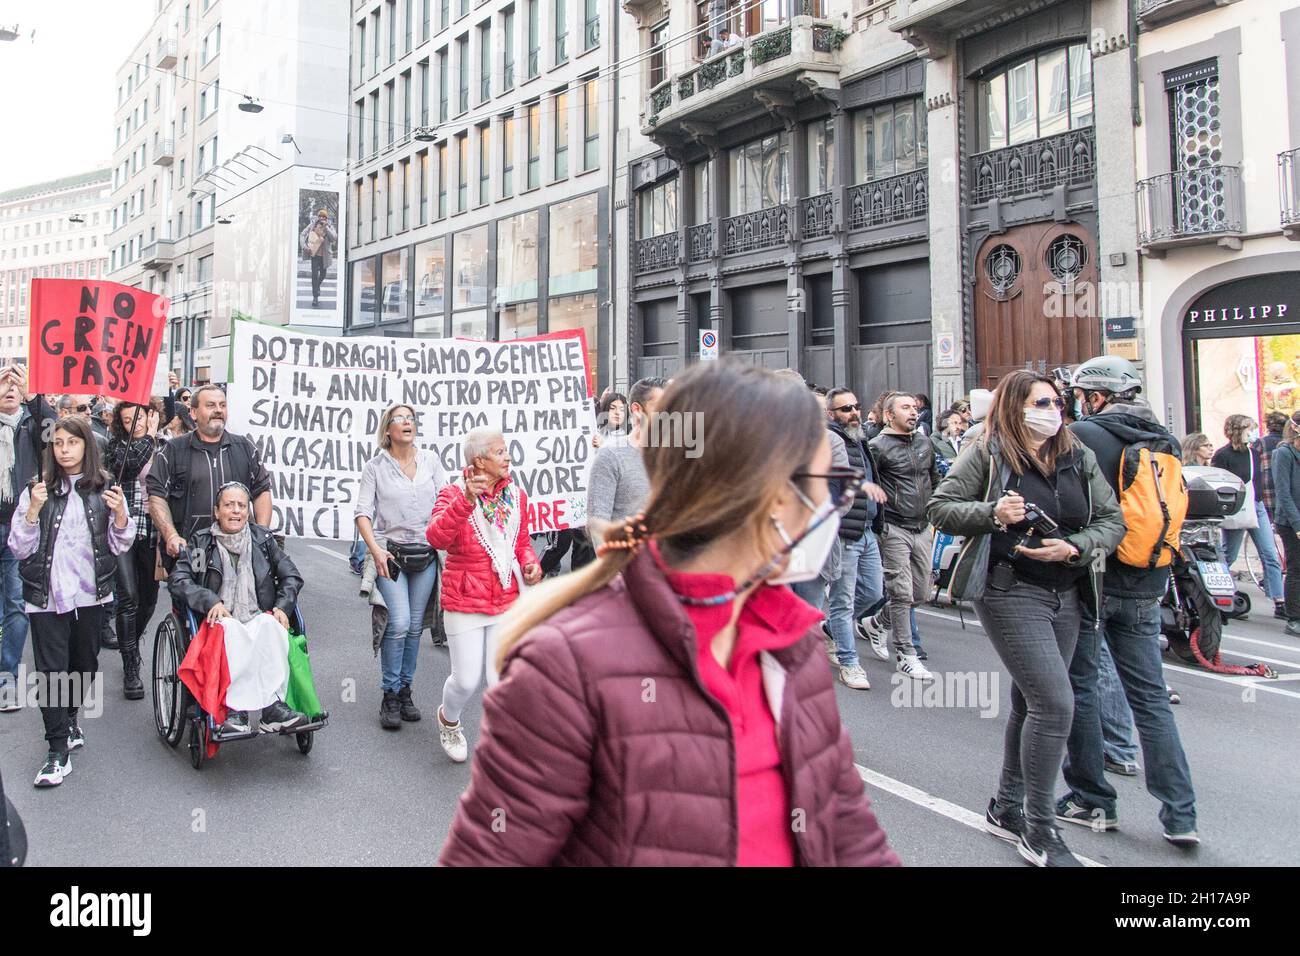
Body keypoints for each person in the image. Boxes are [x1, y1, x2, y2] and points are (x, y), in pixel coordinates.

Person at [438, 363, 900, 867]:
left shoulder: (796, 643)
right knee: (470, 677)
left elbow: (850, 835)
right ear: (752, 494)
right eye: (822, 487)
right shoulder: (566, 665)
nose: (832, 507)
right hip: (471, 599)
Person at [929, 370, 1124, 866]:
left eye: (1057, 402)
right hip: (1008, 590)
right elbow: (942, 508)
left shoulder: (1076, 455)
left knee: (1030, 700)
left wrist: (1074, 546)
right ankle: (1040, 830)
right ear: (1015, 407)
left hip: (1069, 592)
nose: (1053, 410)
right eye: (1041, 402)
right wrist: (995, 514)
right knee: (1056, 705)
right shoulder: (989, 453)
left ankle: (1006, 807)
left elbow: (1112, 521)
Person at [1059, 355, 1199, 845]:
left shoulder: (1086, 435)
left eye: (1080, 395)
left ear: (1094, 396)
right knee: (1151, 698)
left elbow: (1069, 506)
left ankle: (1092, 799)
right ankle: (1181, 814)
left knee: (1082, 686)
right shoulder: (1165, 439)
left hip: (1096, 577)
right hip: (1149, 578)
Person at [8, 417, 136, 787]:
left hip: (91, 596)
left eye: (72, 443)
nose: (64, 450)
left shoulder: (105, 489)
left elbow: (119, 544)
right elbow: (19, 547)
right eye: (59, 443)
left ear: (86, 447)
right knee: (51, 672)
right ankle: (56, 750)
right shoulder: (38, 489)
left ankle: (69, 718)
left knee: (83, 665)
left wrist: (120, 514)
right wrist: (32, 510)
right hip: (46, 597)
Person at [425, 428, 542, 763]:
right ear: (480, 460)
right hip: (465, 600)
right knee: (465, 680)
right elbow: (436, 537)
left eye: (506, 451)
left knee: (499, 677)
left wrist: (531, 565)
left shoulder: (516, 497)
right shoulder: (452, 493)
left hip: (506, 599)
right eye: (500, 452)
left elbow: (521, 546)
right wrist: (466, 500)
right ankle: (449, 720)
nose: (507, 457)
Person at [169, 482, 308, 736]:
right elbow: (179, 580)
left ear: (248, 511)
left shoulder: (263, 541)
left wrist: (281, 607)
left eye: (241, 506)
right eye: (229, 505)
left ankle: (271, 707)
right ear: (217, 511)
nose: (235, 511)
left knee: (270, 625)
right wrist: (209, 600)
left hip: (256, 615)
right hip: (219, 621)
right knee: (230, 629)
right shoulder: (202, 544)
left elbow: (291, 577)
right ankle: (234, 709)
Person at [355, 405, 448, 730]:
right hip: (390, 557)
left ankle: (405, 690)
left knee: (413, 629)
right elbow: (362, 513)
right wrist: (376, 550)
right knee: (399, 622)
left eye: (410, 418)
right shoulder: (375, 467)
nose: (406, 422)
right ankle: (389, 694)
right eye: (399, 418)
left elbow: (446, 501)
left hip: (424, 556)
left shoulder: (431, 461)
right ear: (387, 429)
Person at [147, 384, 273, 573]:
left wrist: (260, 534)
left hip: (238, 551)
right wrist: (171, 536)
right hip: (192, 551)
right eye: (211, 405)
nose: (218, 411)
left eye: (222, 405)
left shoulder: (245, 448)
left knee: (236, 601)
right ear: (193, 412)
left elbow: (262, 490)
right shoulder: (173, 450)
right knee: (194, 600)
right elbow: (157, 496)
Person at [868, 393, 939, 680]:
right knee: (901, 592)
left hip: (922, 526)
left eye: (914, 407)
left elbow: (934, 479)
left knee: (921, 593)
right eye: (905, 408)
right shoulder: (877, 447)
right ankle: (906, 654)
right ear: (888, 415)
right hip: (894, 526)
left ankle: (876, 622)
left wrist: (936, 511)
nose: (913, 412)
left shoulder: (924, 442)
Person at [821, 388, 887, 690]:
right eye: (846, 409)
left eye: (856, 406)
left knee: (873, 593)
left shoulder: (860, 440)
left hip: (868, 529)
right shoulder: (829, 440)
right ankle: (850, 662)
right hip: (844, 531)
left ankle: (830, 629)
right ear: (831, 414)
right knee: (842, 601)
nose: (854, 412)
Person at [0, 365, 54, 715]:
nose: (8, 388)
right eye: (2, 382)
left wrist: (36, 397)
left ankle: (6, 677)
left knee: (16, 604)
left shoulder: (33, 425)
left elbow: (53, 430)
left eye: (13, 384)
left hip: (16, 526)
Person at [103, 400, 162, 700]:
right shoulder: (116, 447)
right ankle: (130, 668)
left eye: (139, 417)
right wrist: (149, 438)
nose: (135, 423)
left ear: (151, 415)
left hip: (153, 531)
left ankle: (131, 642)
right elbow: (127, 466)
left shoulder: (167, 445)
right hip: (124, 529)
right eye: (127, 420)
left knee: (149, 601)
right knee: (128, 597)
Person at [1213, 414, 1285, 618]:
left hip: (1256, 505)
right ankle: (1222, 594)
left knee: (1270, 553)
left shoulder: (1253, 453)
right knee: (1229, 554)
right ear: (1237, 431)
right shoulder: (1222, 455)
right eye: (1248, 428)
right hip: (1236, 507)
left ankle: (1279, 601)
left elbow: (1258, 480)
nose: (1252, 432)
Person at [586, 377, 666, 545]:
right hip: (626, 566)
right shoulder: (610, 456)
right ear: (637, 409)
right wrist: (616, 570)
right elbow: (598, 524)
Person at [1270, 412, 1300, 637]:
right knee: (1296, 569)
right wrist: (1297, 524)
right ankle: (1294, 618)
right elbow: (1283, 492)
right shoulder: (1284, 453)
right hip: (1290, 521)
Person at [300, 208, 338, 308]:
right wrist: (304, 246)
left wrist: (326, 228)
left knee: (323, 274)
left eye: (324, 217)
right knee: (314, 275)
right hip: (314, 255)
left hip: (325, 256)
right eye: (320, 216)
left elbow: (334, 238)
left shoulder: (330, 226)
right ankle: (315, 297)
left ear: (326, 218)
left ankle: (317, 287)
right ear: (318, 217)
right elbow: (303, 234)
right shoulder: (313, 225)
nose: (321, 218)